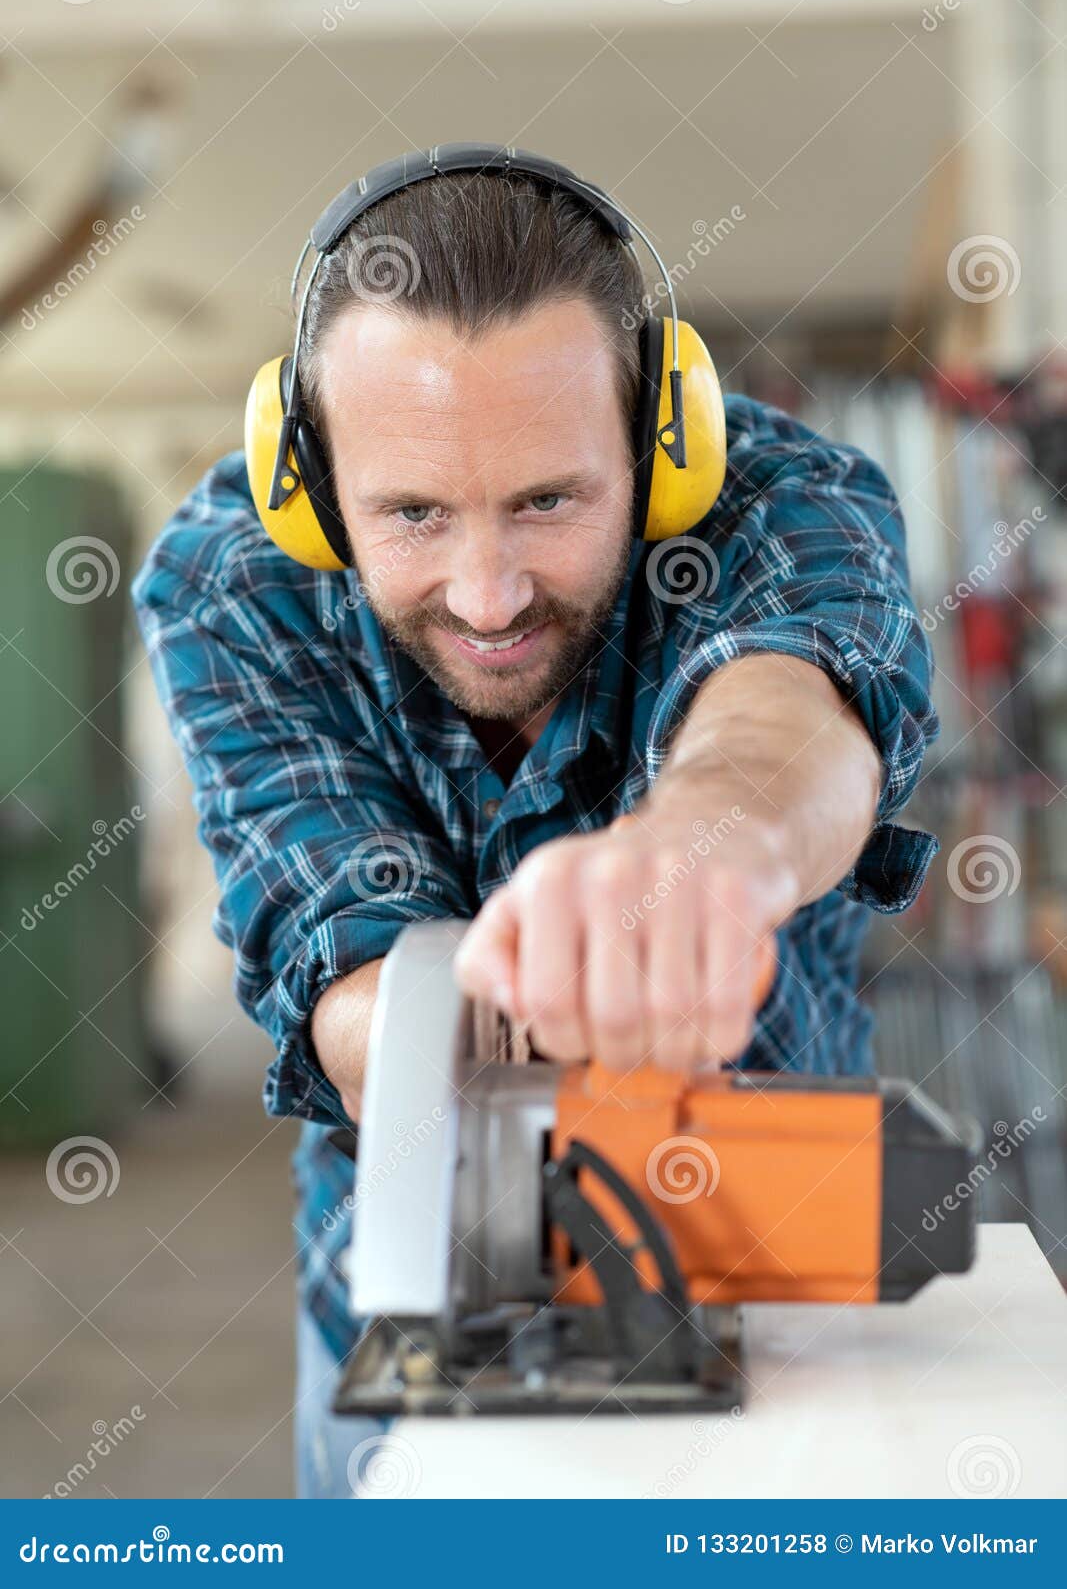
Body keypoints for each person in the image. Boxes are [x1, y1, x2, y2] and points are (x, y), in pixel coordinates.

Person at [133, 147, 938, 1498]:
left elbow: (785, 726)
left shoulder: (782, 500)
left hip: (777, 1269)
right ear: (312, 484)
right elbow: (330, 959)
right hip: (399, 1310)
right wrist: (465, 1020)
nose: (489, 591)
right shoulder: (235, 581)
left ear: (657, 444)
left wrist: (701, 857)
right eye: (413, 513)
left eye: (550, 501)